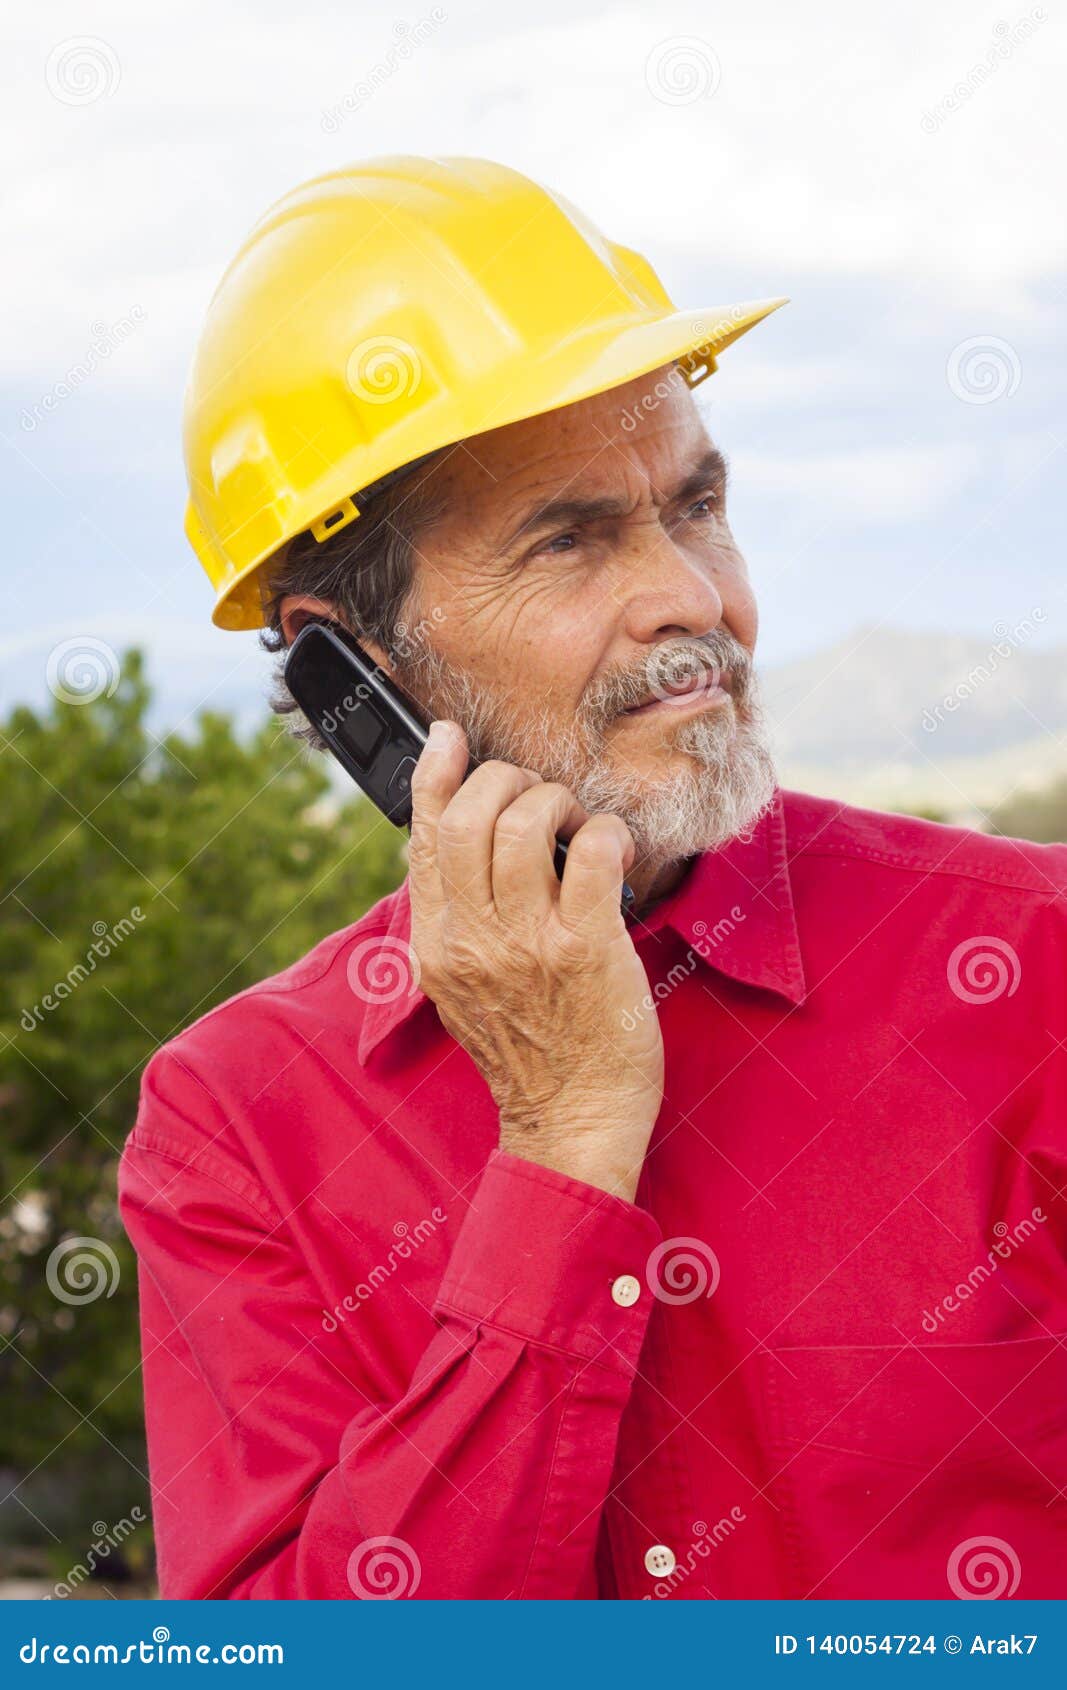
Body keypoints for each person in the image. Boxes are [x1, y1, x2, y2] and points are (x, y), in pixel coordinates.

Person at [120, 157, 1067, 1601]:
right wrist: (563, 1146)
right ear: (353, 665)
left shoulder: (1032, 962)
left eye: (695, 507)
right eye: (569, 541)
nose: (695, 595)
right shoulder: (236, 1126)